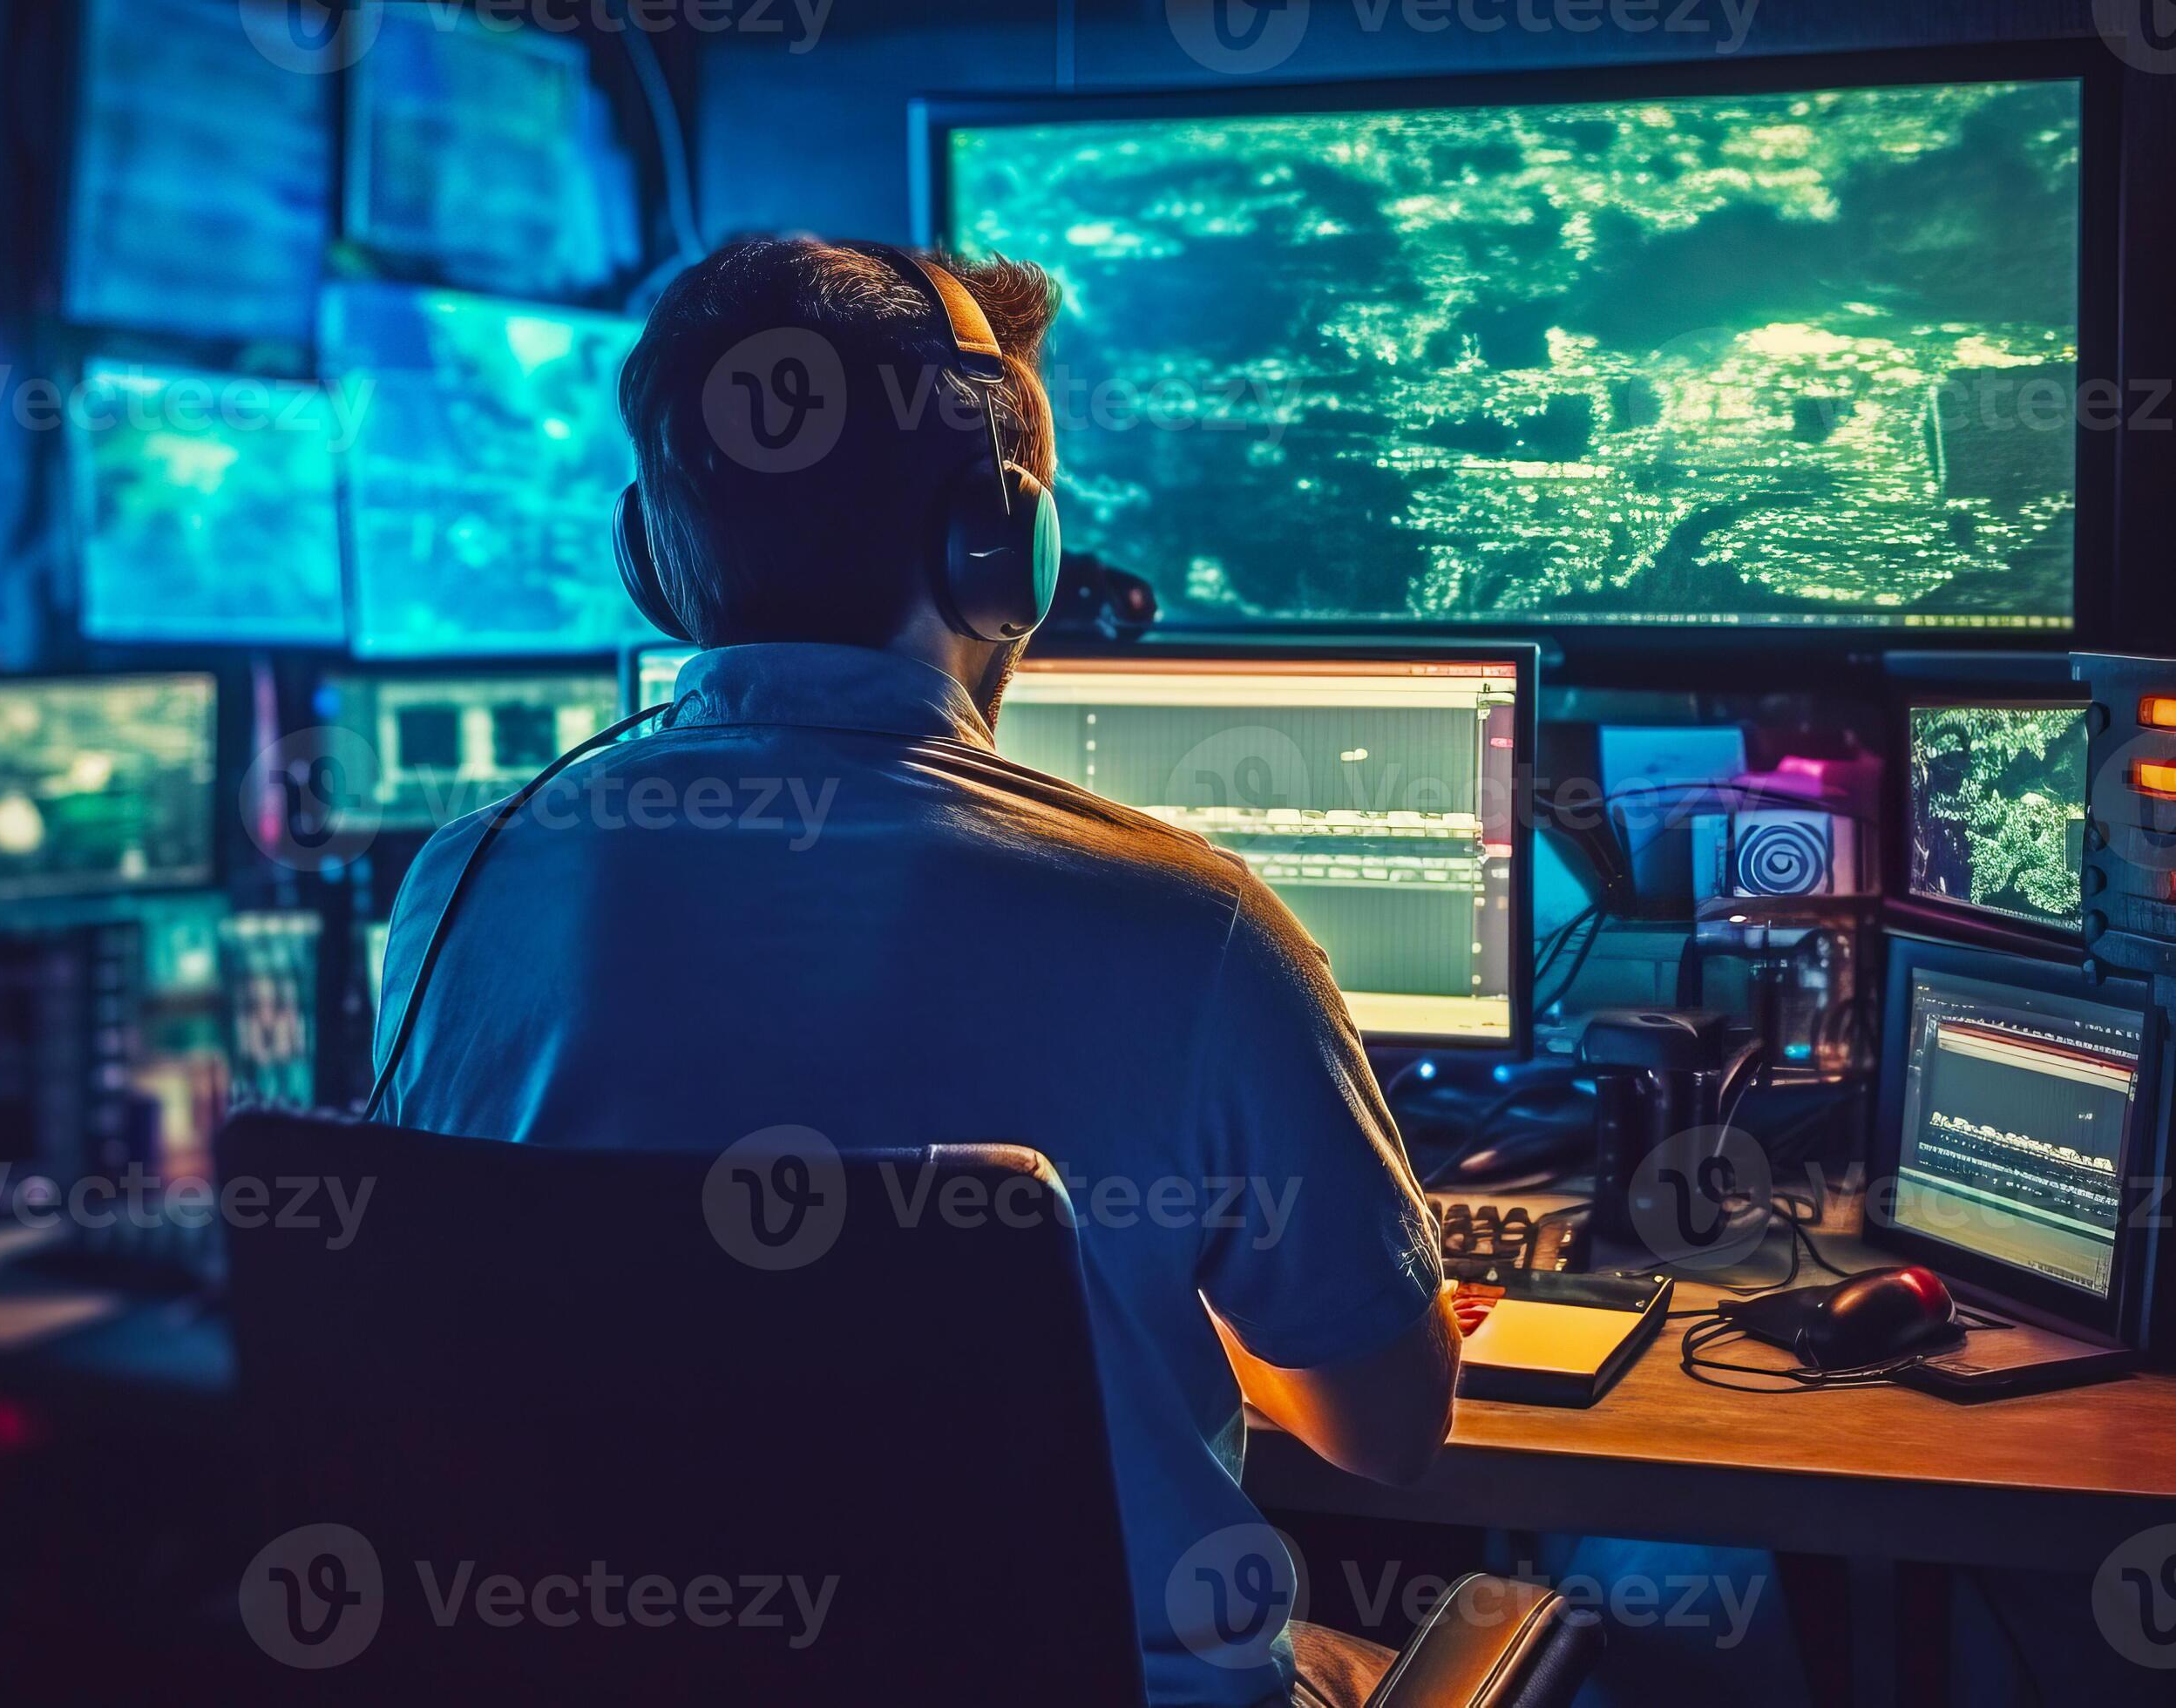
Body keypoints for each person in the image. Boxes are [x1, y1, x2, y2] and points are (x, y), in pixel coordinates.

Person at [372, 236, 1461, 1708]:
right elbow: (1387, 1431)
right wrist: (1162, 1281)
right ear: (1007, 553)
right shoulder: (1190, 927)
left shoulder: (464, 891)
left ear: (654, 559)